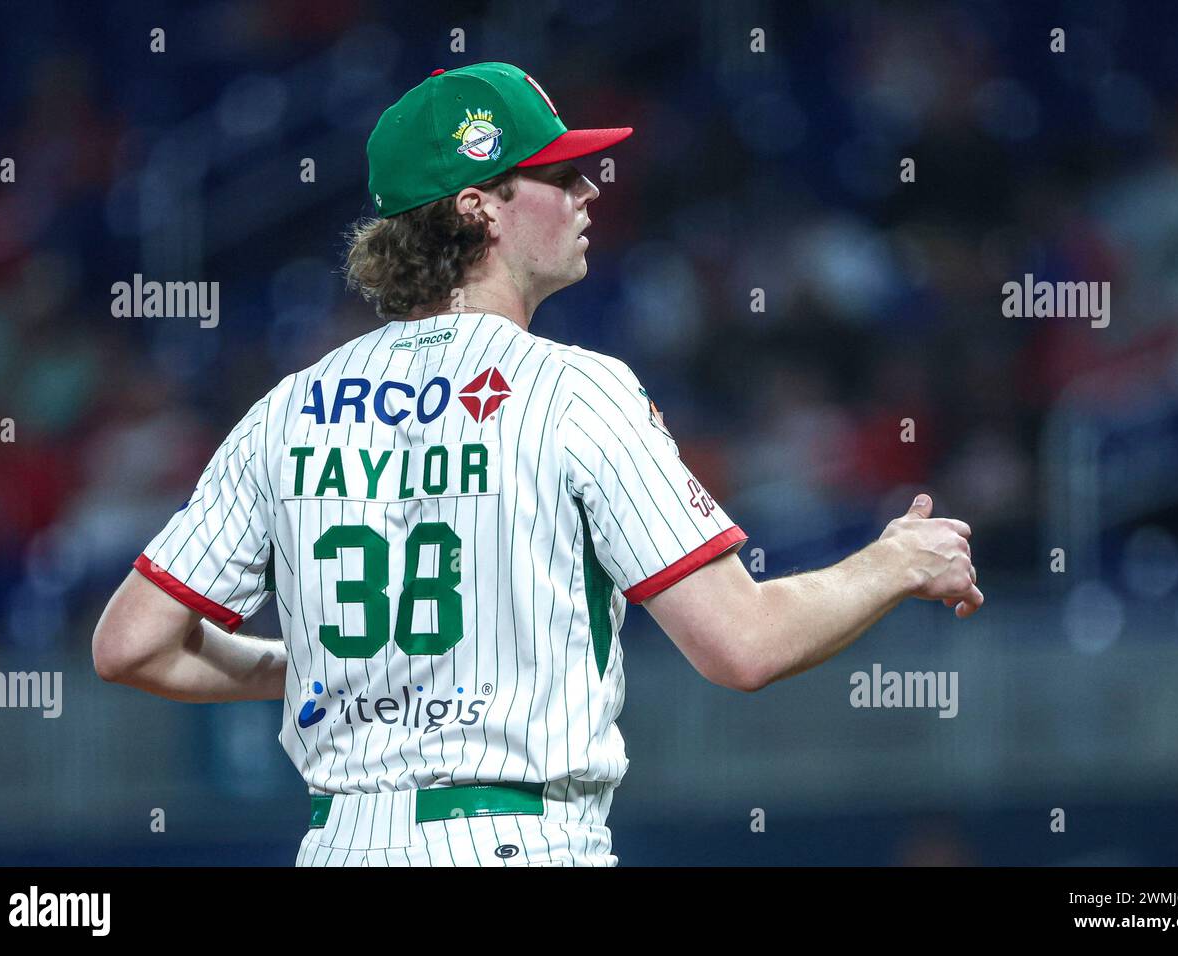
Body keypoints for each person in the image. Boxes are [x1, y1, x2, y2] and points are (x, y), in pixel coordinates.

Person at [92, 62, 983, 867]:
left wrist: (342, 668)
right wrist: (894, 561)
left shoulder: (286, 409)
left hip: (340, 845)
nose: (590, 189)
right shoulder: (574, 391)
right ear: (479, 205)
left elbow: (129, 645)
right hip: (518, 841)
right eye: (558, 174)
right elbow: (741, 645)